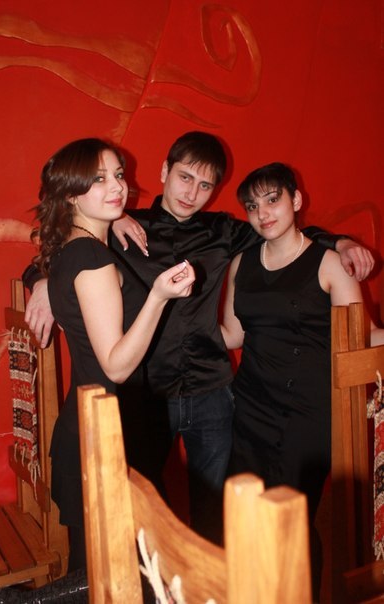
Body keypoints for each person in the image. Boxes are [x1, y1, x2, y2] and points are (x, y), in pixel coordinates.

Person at [23, 131, 374, 544]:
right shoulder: (118, 224)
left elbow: (282, 231)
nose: (192, 193)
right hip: (146, 397)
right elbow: (63, 251)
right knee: (144, 518)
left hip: (212, 393)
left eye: (205, 185)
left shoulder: (223, 230)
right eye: (185, 178)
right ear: (165, 171)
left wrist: (340, 241)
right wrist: (40, 281)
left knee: (215, 516)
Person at [29, 137, 195, 572]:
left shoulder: (73, 247)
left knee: (103, 573)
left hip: (93, 422)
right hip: (104, 429)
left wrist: (116, 217)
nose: (118, 186)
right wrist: (159, 296)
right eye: (99, 179)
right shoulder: (92, 257)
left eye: (118, 175)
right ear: (71, 194)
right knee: (116, 577)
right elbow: (117, 365)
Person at [220, 161, 383, 598]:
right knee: (249, 517)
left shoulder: (329, 263)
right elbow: (233, 334)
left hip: (308, 412)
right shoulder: (241, 263)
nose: (263, 213)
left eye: (272, 200)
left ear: (296, 200)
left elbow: (364, 334)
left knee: (292, 520)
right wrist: (175, 325)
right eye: (253, 206)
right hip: (251, 407)